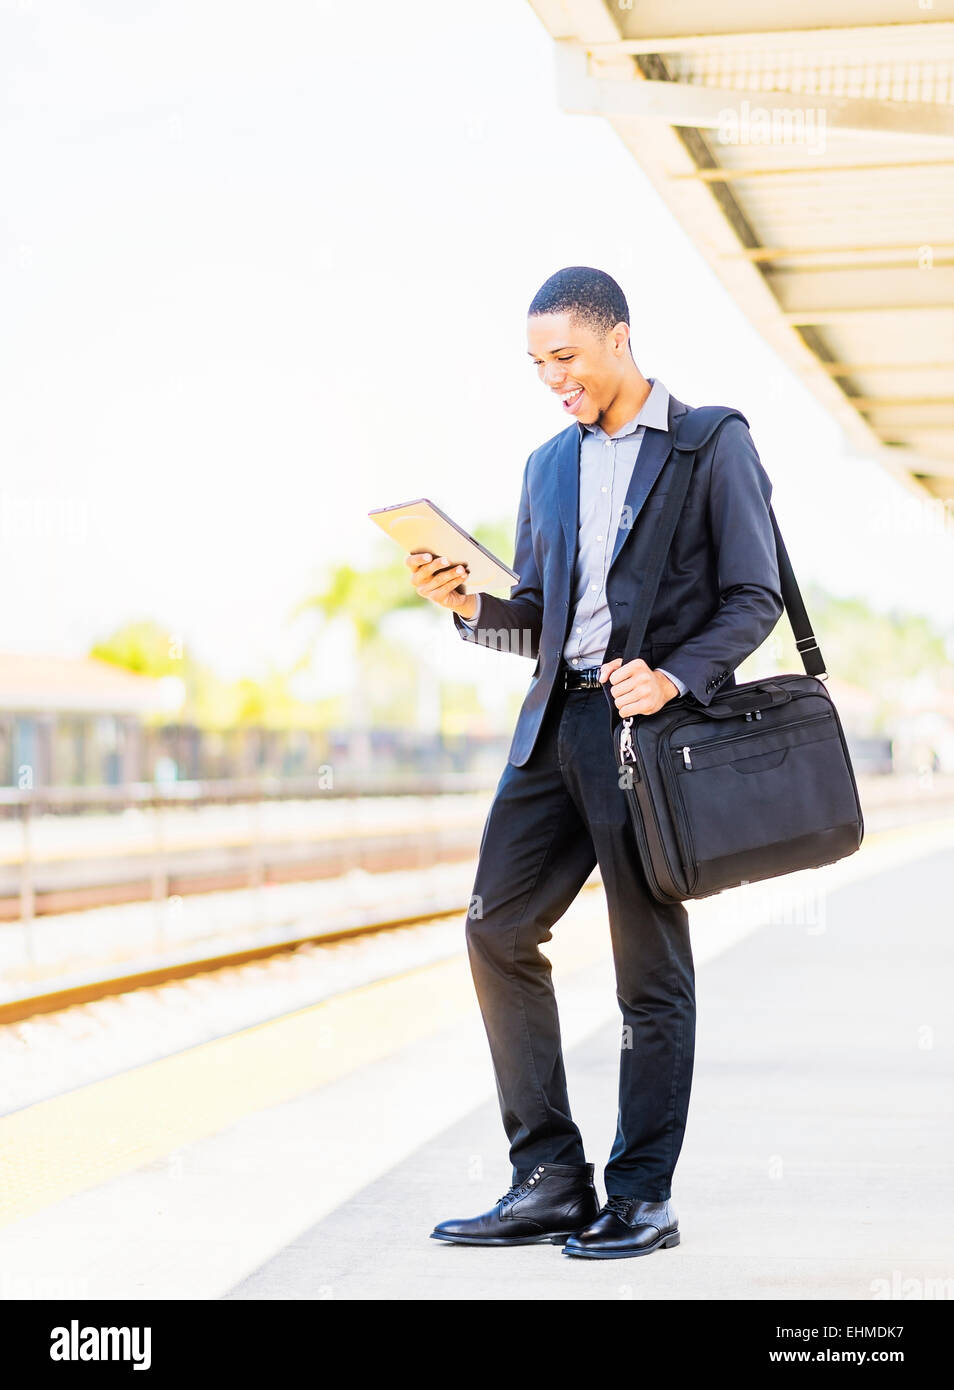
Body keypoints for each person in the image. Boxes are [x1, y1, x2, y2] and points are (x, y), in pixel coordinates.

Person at [405, 267, 783, 1259]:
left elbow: (755, 594)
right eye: (537, 365)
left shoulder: (711, 443)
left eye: (564, 358)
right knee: (496, 929)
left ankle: (643, 1195)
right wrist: (466, 602)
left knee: (645, 966)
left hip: (647, 738)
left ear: (620, 338)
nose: (552, 379)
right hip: (554, 735)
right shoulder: (545, 467)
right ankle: (548, 1178)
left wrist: (673, 675)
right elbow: (539, 620)